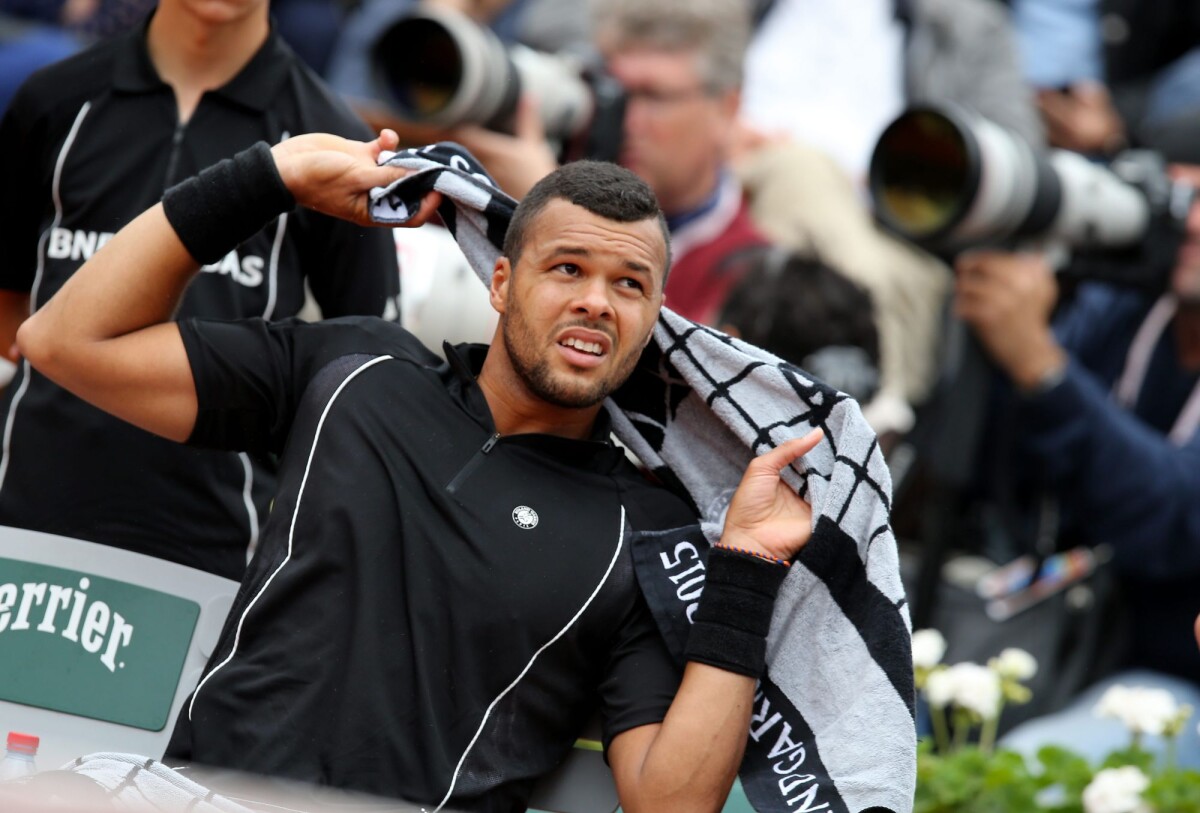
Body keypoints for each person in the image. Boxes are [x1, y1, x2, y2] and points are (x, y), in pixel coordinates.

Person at [13, 128, 825, 811]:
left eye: (630, 286)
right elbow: (63, 343)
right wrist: (273, 175)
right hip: (196, 793)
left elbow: (672, 801)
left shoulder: (644, 529)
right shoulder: (358, 371)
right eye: (567, 269)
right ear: (502, 283)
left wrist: (748, 567)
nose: (596, 302)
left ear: (653, 322)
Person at [0, 0, 400, 580]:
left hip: (213, 547)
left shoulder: (330, 143)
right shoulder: (54, 100)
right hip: (28, 514)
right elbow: (9, 303)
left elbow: (367, 375)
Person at [950, 164, 1200, 765]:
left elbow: (1176, 523)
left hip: (1170, 674)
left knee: (1023, 774)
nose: (1193, 221)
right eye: (1187, 196)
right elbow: (999, 472)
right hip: (1048, 629)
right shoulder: (1128, 304)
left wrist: (1040, 363)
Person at [453, 0, 769, 327]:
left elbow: (682, 367)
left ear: (726, 110)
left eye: (653, 97)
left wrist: (549, 214)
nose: (626, 121)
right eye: (615, 93)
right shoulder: (523, 166)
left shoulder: (754, 276)